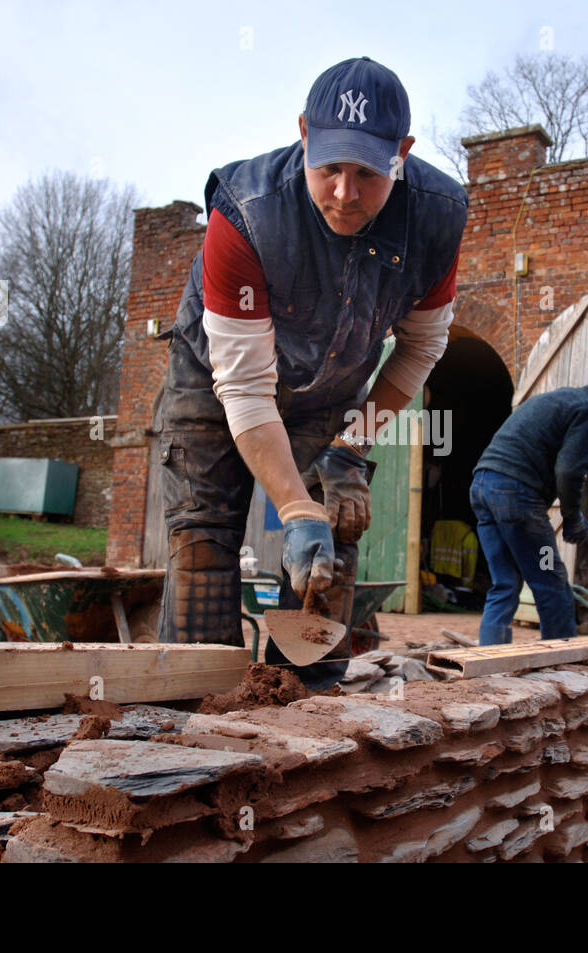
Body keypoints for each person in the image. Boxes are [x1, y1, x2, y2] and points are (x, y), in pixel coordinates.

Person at [155, 57, 467, 689]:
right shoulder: (248, 213)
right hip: (217, 380)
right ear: (303, 134)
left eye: (367, 174)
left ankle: (307, 700)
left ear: (402, 153)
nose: (345, 194)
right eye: (328, 169)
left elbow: (418, 349)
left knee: (338, 514)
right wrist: (290, 504)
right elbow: (242, 387)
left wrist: (353, 448)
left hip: (331, 383)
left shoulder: (435, 219)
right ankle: (195, 704)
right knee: (205, 533)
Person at [470, 371, 588, 645]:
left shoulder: (558, 399)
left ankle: (490, 661)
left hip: (482, 488)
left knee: (505, 583)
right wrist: (572, 518)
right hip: (516, 497)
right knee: (551, 580)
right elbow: (570, 470)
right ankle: (563, 665)